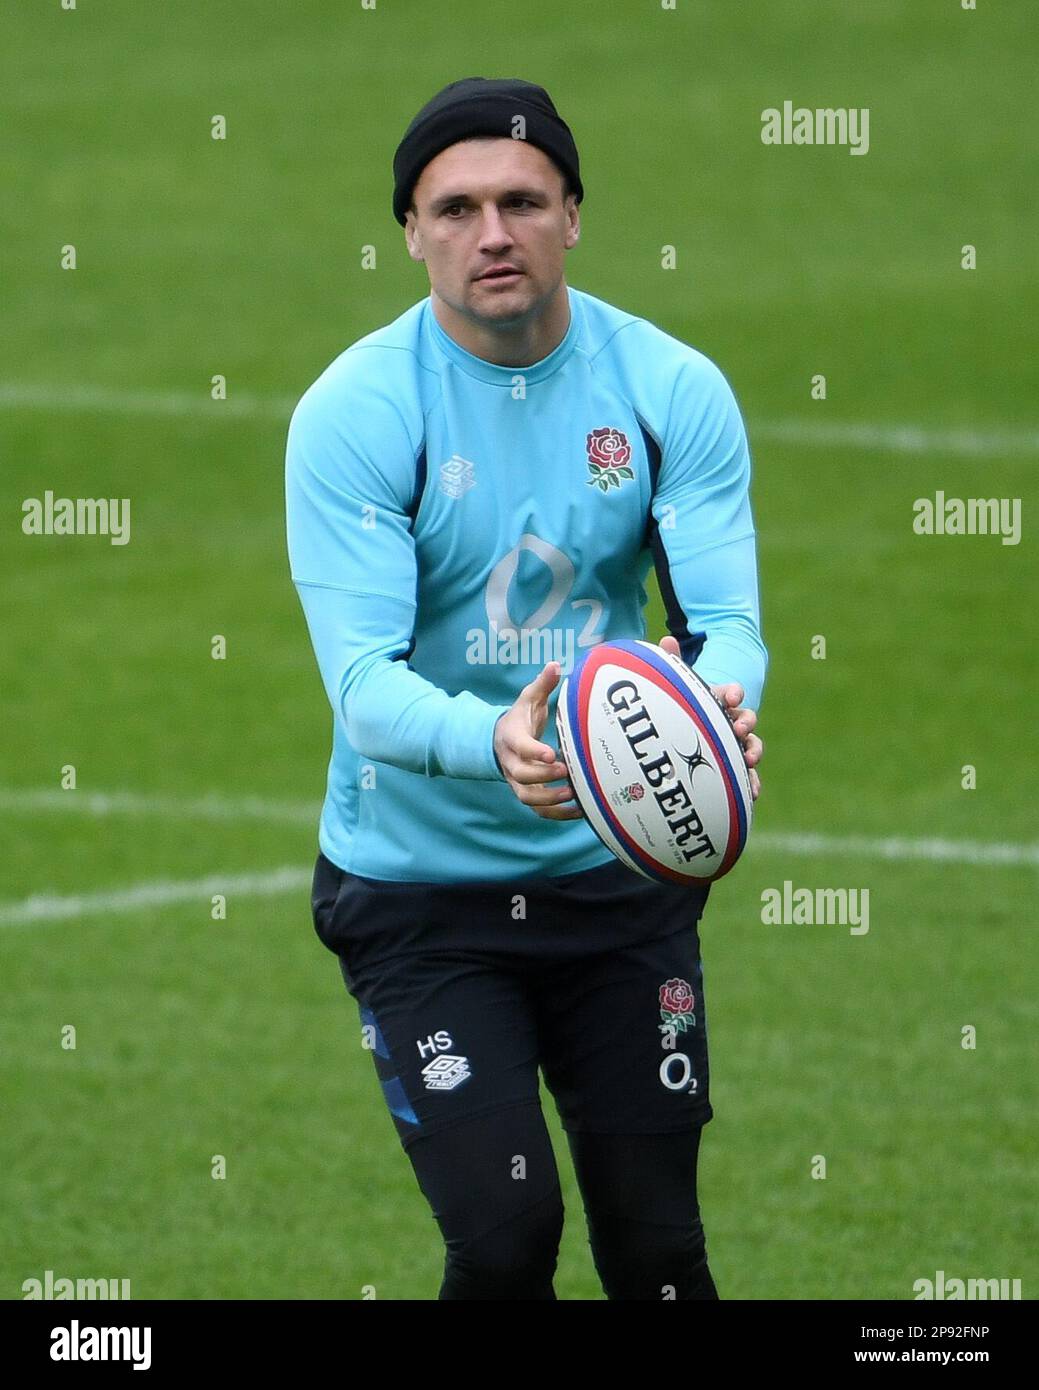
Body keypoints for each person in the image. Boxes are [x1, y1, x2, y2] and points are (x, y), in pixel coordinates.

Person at [285, 76, 767, 1300]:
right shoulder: (358, 412)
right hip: (420, 895)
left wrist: (722, 710)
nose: (488, 234)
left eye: (518, 200)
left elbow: (727, 623)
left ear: (572, 214)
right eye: (451, 209)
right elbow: (361, 686)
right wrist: (489, 740)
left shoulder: (667, 391)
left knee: (659, 1250)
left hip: (617, 879)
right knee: (503, 1239)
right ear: (408, 231)